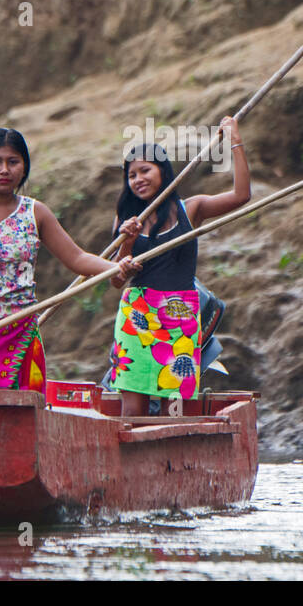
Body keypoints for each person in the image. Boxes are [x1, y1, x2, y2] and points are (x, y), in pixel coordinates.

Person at [0, 127, 141, 391]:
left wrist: (115, 267)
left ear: (24, 167)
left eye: (13, 162)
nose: (4, 170)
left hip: (19, 331)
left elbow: (76, 257)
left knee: (21, 417)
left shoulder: (35, 212)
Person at [105, 117, 250, 416]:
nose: (138, 179)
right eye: (131, 175)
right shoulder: (125, 221)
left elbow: (241, 196)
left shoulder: (190, 209)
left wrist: (235, 141)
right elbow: (116, 281)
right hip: (137, 317)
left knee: (175, 408)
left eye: (145, 170)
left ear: (163, 171)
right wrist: (127, 244)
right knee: (132, 409)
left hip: (180, 314)